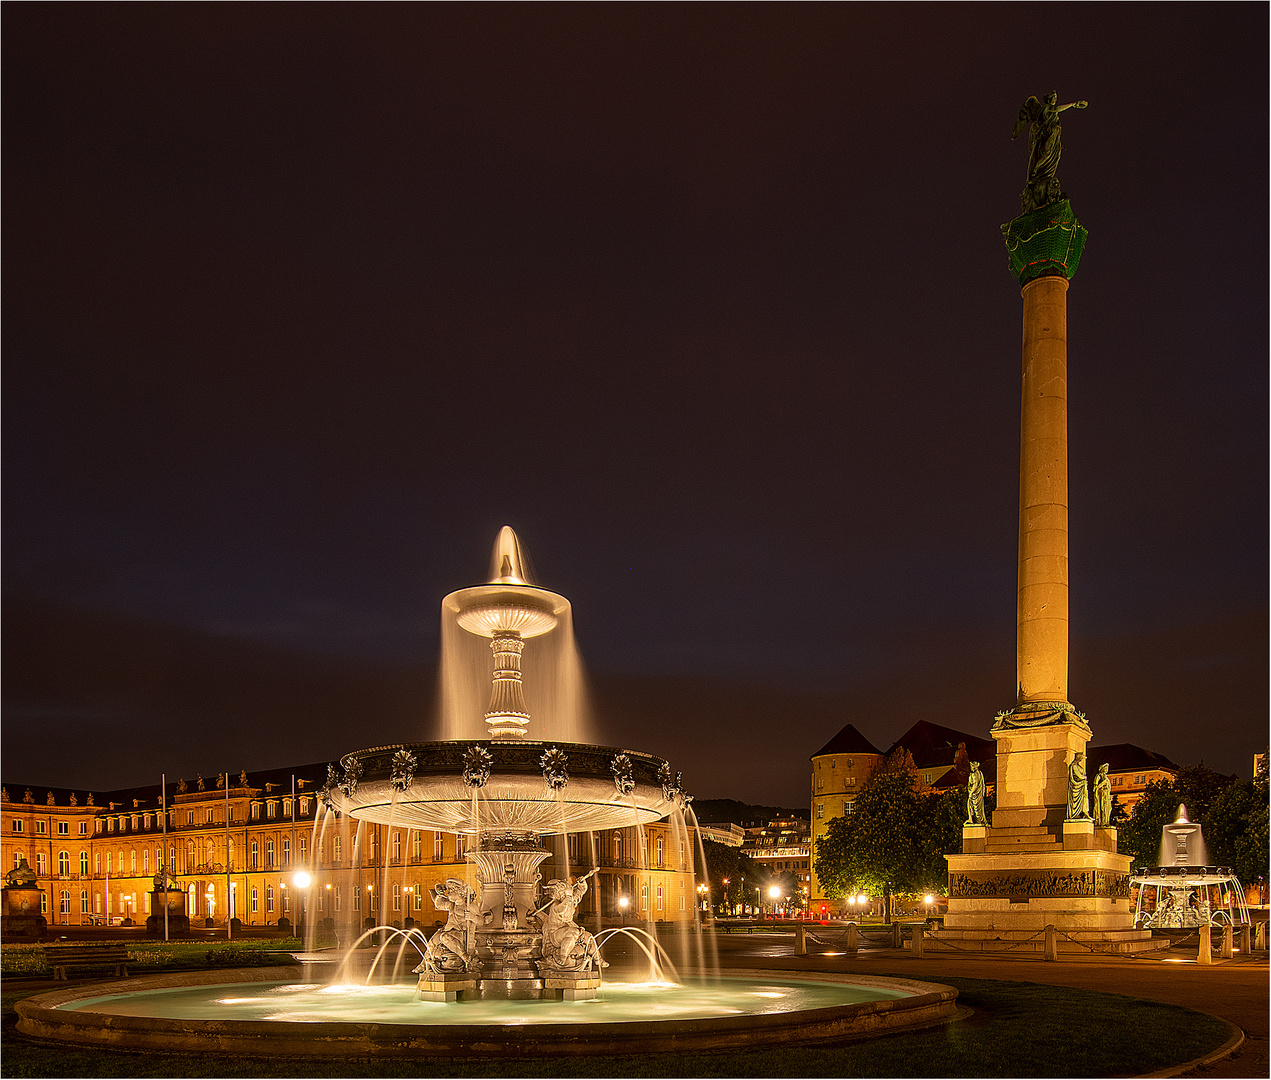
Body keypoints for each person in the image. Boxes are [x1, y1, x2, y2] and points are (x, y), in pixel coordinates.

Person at [535, 869, 608, 971]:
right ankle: (562, 957)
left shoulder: (571, 901)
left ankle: (598, 959)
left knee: (588, 936)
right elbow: (561, 909)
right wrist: (567, 900)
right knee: (573, 933)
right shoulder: (556, 905)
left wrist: (582, 883)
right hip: (556, 933)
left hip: (568, 928)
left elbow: (581, 891)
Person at [1066, 753, 1090, 821]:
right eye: (1081, 757)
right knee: (1075, 801)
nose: (1082, 759)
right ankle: (1076, 814)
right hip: (1077, 785)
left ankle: (1083, 813)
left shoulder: (1078, 766)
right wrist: (1084, 777)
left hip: (1081, 785)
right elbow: (1079, 775)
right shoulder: (1074, 766)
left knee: (1084, 798)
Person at [965, 761, 988, 826]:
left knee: (975, 808)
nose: (971, 768)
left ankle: (976, 820)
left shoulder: (974, 774)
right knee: (976, 808)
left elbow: (975, 784)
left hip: (975, 794)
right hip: (977, 794)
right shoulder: (979, 773)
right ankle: (976, 820)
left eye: (972, 766)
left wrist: (971, 793)